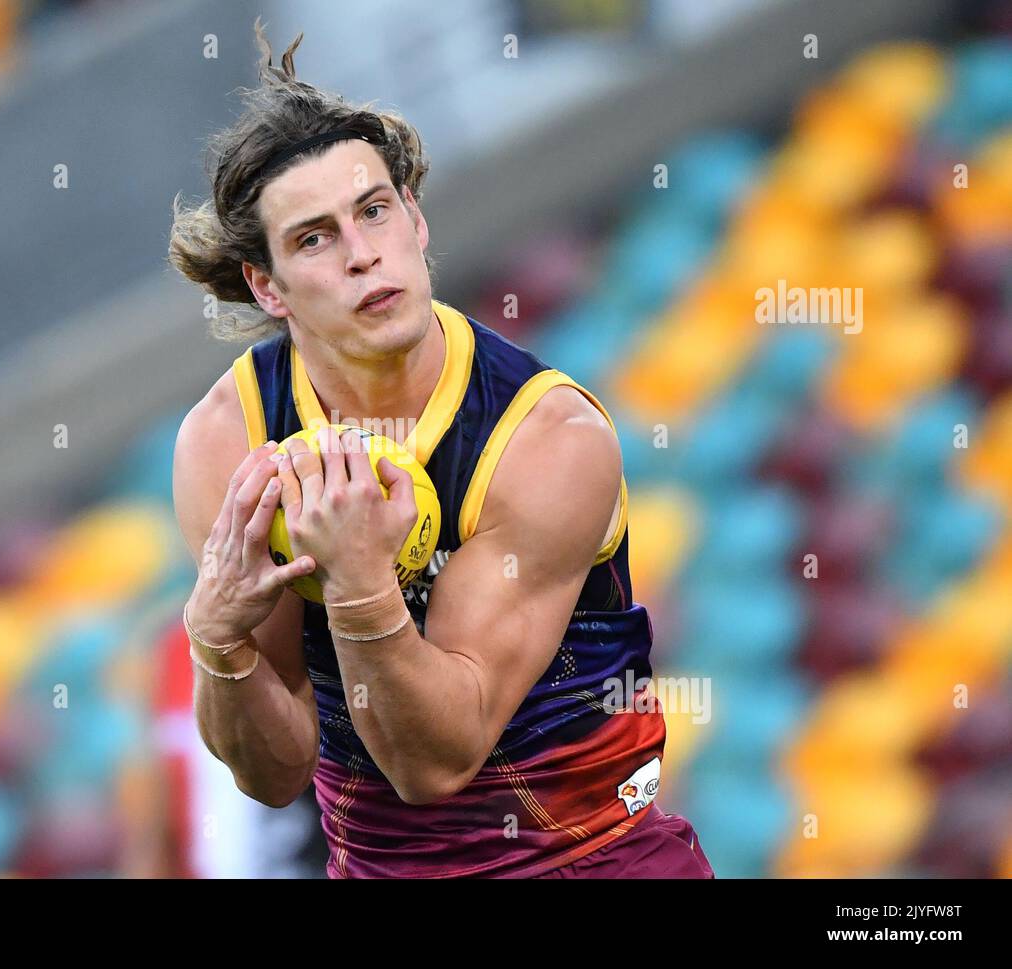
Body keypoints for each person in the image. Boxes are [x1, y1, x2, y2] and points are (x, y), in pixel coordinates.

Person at [167, 18, 713, 879]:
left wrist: (356, 584)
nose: (361, 254)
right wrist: (219, 645)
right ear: (265, 285)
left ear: (415, 220)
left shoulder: (546, 439)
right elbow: (274, 774)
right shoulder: (225, 441)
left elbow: (436, 763)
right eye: (314, 237)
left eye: (375, 210)